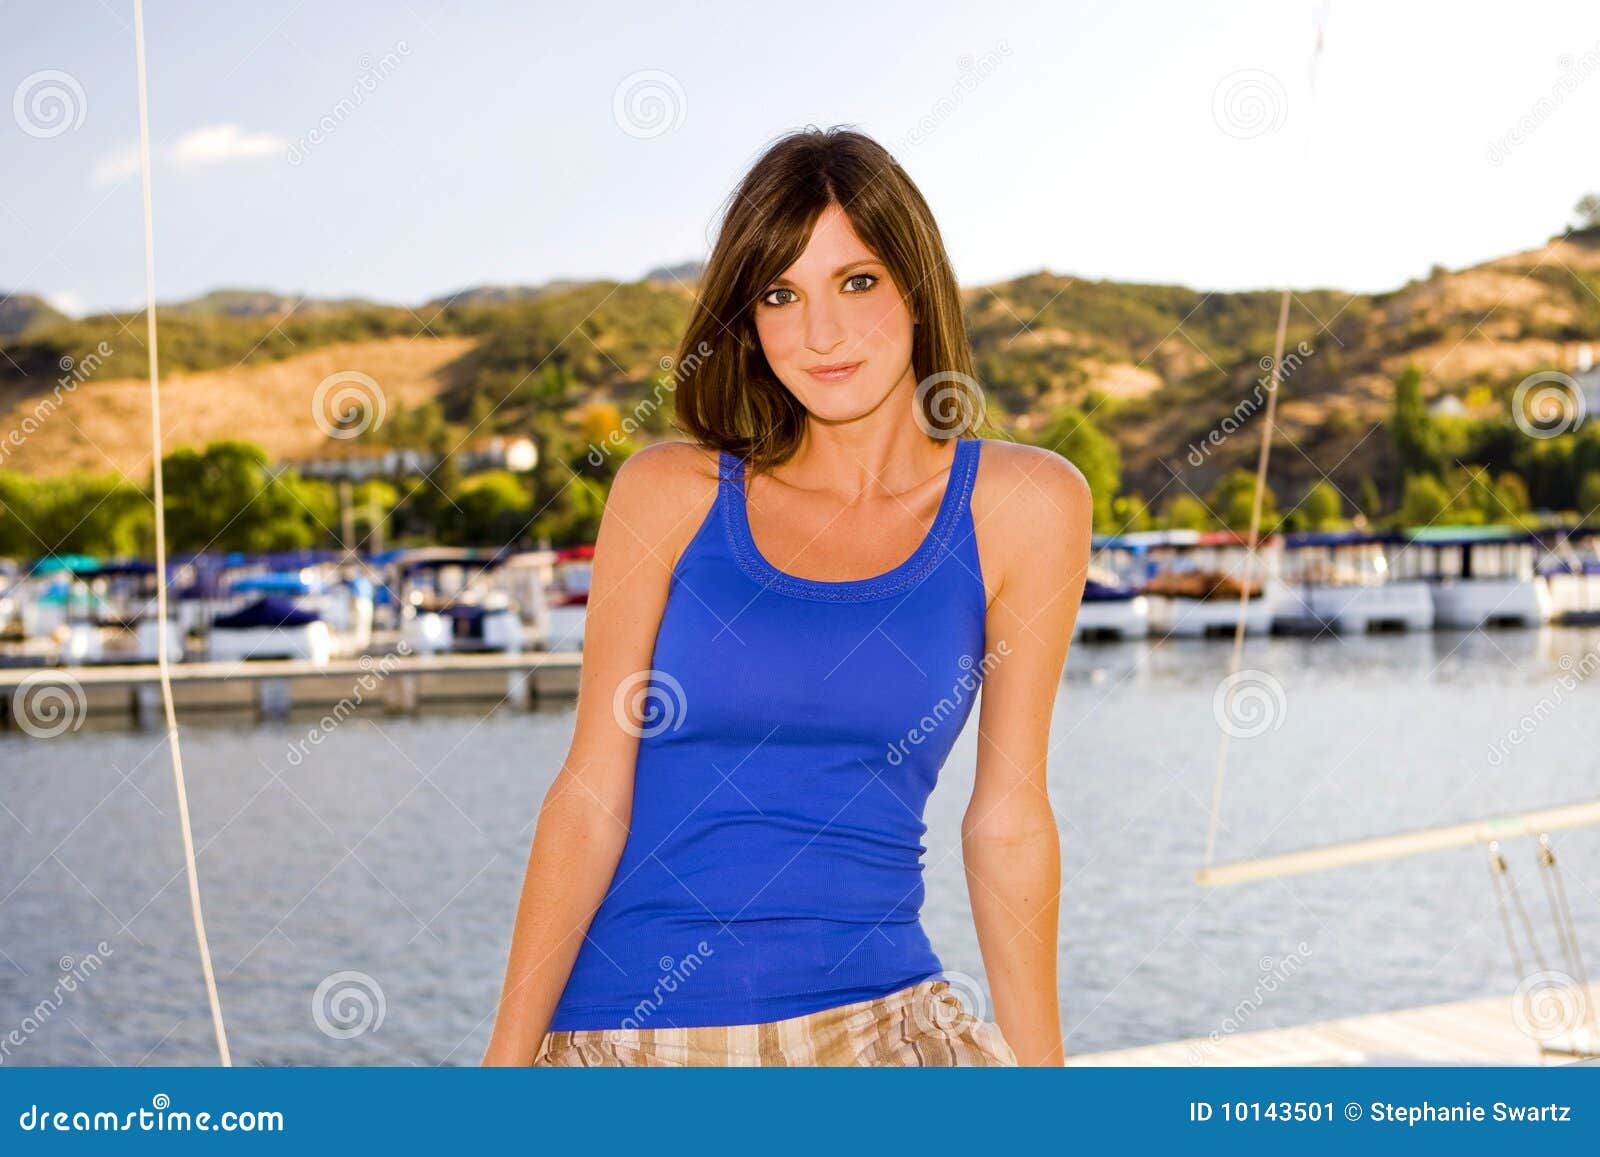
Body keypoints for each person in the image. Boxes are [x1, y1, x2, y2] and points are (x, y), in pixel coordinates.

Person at [482, 126, 1090, 1066]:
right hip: (633, 1038)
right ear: (748, 319)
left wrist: (1048, 1097)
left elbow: (1007, 819)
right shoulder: (669, 493)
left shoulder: (1026, 506)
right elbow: (589, 793)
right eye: (780, 294)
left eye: (858, 282)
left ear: (917, 287)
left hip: (882, 1029)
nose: (821, 333)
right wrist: (501, 1076)